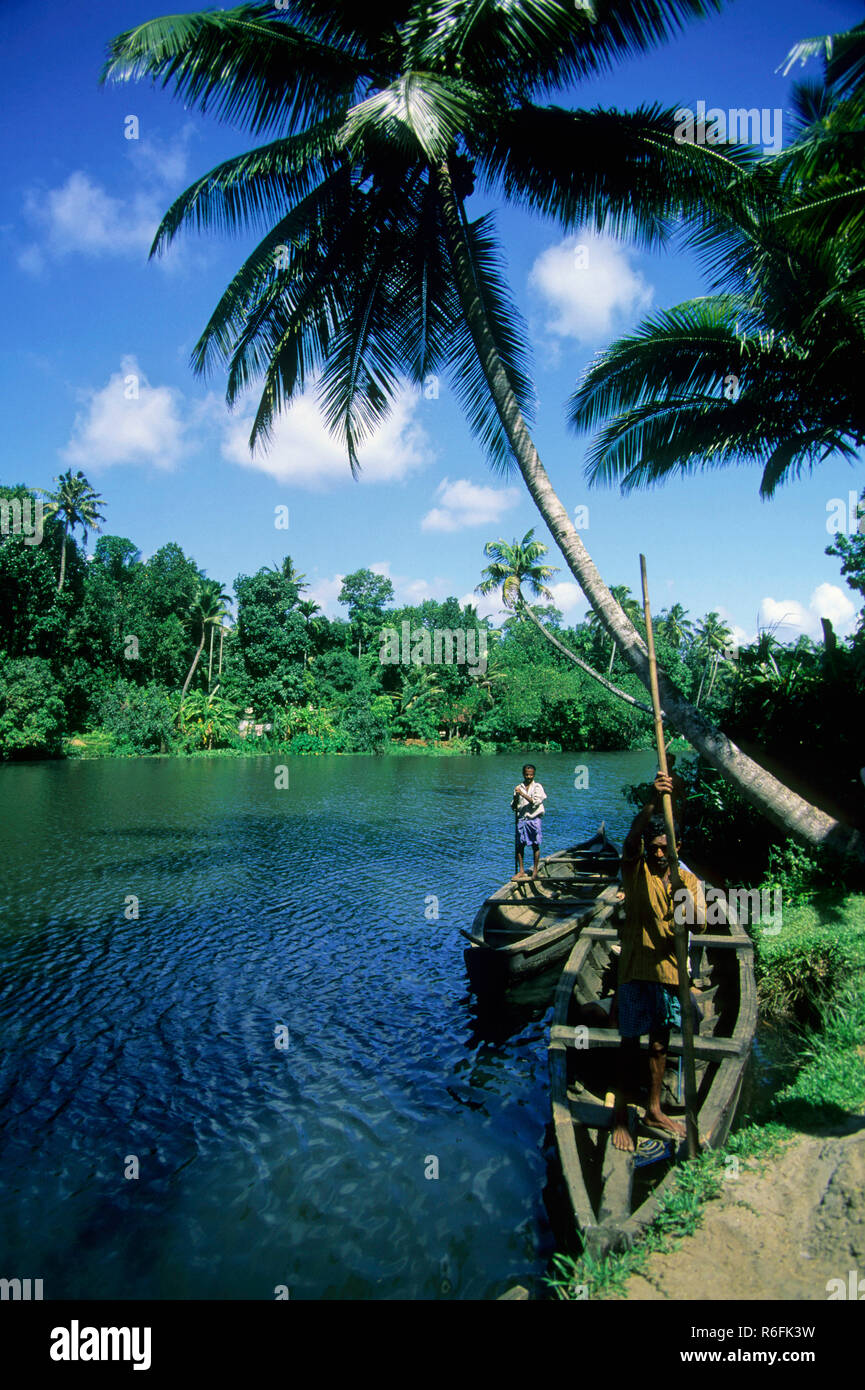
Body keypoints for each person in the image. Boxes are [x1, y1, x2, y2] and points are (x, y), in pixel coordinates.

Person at [611, 771, 707, 1153]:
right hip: (636, 969)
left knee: (659, 1045)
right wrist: (652, 800)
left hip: (669, 971)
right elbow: (631, 840)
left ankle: (653, 1109)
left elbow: (698, 921)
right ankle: (620, 1112)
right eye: (653, 848)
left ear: (677, 847)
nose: (657, 854)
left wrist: (681, 891)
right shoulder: (636, 870)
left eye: (665, 849)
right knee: (629, 1043)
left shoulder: (687, 880)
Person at [511, 764, 546, 880]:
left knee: (535, 845)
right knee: (520, 845)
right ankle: (521, 871)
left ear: (534, 775)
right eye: (526, 774)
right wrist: (516, 797)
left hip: (534, 819)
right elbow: (514, 806)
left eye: (531, 775)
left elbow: (534, 802)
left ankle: (535, 871)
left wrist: (521, 793)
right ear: (523, 774)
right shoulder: (518, 787)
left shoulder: (537, 787)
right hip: (522, 819)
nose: (528, 777)